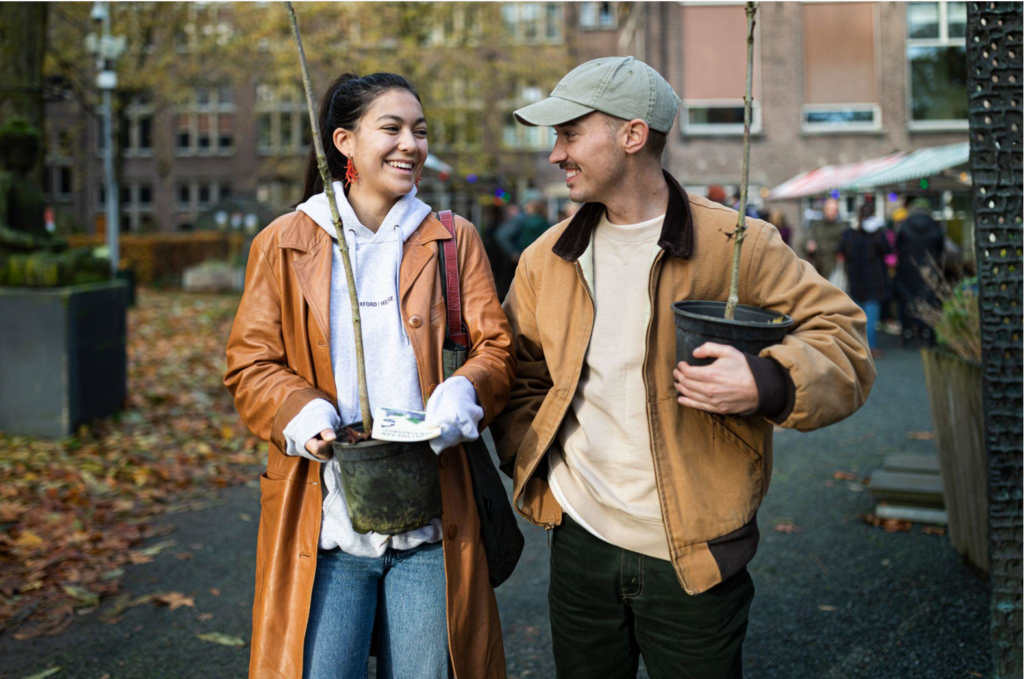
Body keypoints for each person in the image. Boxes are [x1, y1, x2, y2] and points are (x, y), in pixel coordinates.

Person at [491, 56, 876, 679]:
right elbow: (521, 370)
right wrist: (537, 462)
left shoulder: (738, 245)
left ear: (632, 135)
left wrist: (768, 380)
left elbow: (846, 343)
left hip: (697, 557)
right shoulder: (547, 258)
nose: (556, 153)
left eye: (569, 134)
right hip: (580, 545)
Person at [224, 72, 515, 679]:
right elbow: (251, 362)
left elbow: (497, 348)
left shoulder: (451, 240)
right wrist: (300, 411)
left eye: (421, 130)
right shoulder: (285, 242)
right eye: (392, 128)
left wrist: (465, 390)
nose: (411, 143)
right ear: (344, 142)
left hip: (431, 529)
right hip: (325, 525)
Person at [840, 203, 891, 358]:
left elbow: (841, 250)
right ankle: (871, 347)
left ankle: (857, 347)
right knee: (871, 316)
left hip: (855, 278)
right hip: (875, 279)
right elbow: (887, 250)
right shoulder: (878, 233)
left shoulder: (849, 233)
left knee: (857, 316)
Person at [894, 197, 944, 344]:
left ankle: (908, 330)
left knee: (907, 301)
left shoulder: (905, 225)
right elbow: (940, 247)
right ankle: (929, 332)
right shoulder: (935, 226)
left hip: (907, 269)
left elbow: (897, 247)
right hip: (929, 269)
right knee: (929, 299)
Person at [496, 198, 551, 263]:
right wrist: (513, 253)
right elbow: (502, 235)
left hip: (525, 256)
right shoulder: (525, 220)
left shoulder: (524, 219)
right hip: (531, 257)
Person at [802, 197, 845, 279]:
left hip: (835, 266)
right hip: (819, 266)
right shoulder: (817, 226)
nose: (832, 212)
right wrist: (809, 244)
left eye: (835, 210)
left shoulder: (842, 227)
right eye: (830, 209)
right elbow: (806, 240)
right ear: (825, 210)